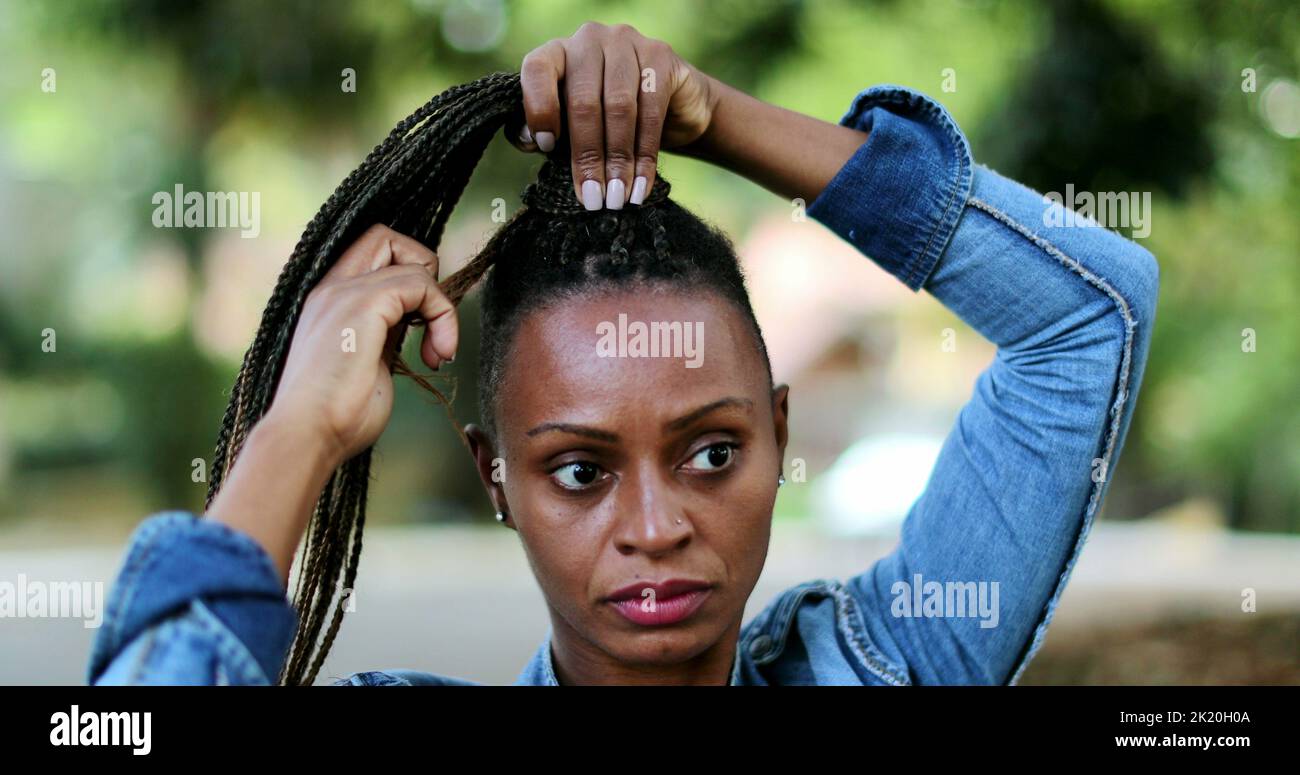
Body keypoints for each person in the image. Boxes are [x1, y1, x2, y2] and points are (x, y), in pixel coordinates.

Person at [88, 22, 1158, 686]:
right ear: (493, 475)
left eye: (710, 453)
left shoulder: (890, 663)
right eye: (580, 471)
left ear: (779, 433)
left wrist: (717, 118)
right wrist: (297, 430)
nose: (656, 529)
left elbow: (1087, 312)